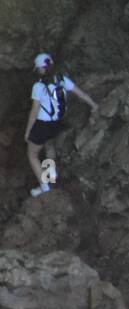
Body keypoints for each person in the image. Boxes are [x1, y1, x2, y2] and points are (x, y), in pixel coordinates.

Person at [25, 53, 97, 199]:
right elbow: (81, 94)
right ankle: (51, 177)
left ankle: (44, 186)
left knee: (32, 154)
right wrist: (94, 105)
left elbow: (34, 111)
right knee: (49, 146)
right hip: (57, 123)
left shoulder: (39, 86)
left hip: (42, 124)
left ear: (40, 69)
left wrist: (28, 131)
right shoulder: (62, 80)